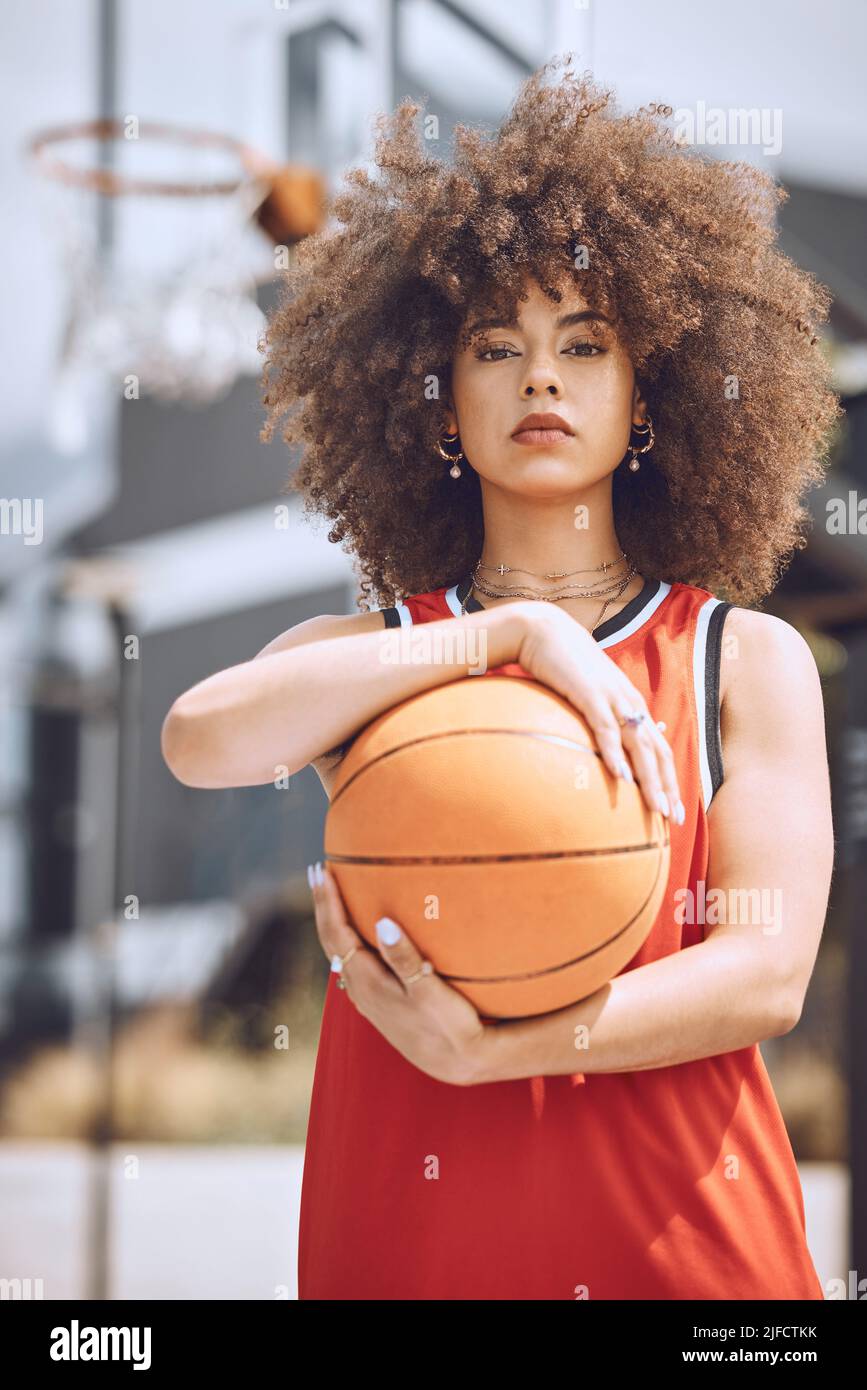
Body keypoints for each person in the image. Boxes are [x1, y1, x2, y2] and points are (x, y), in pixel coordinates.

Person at [161, 60, 838, 1299]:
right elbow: (198, 738)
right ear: (433, 404)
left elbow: (766, 974)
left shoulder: (741, 657)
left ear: (648, 400)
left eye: (586, 343)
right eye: (495, 346)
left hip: (689, 1267)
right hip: (411, 1256)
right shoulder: (385, 656)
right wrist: (496, 641)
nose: (540, 376)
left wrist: (505, 1052)